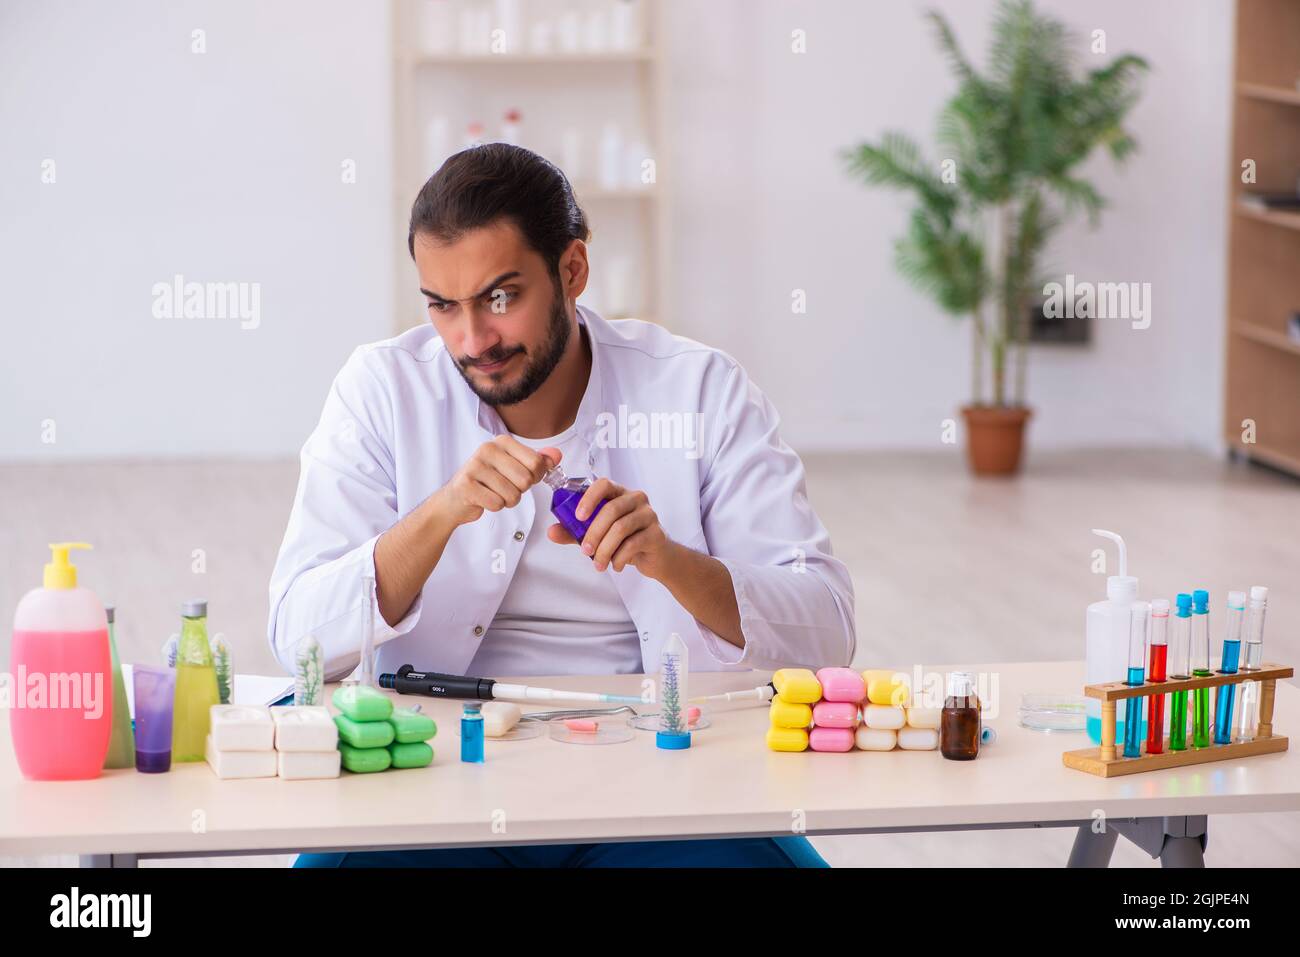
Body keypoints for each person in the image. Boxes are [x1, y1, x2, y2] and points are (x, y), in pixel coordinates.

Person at [269, 143, 855, 867]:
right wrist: (441, 511)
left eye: (500, 298)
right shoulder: (381, 391)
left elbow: (826, 629)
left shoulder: (698, 391)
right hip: (437, 781)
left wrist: (669, 561)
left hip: (664, 781)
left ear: (572, 270)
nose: (471, 339)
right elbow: (297, 636)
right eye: (443, 306)